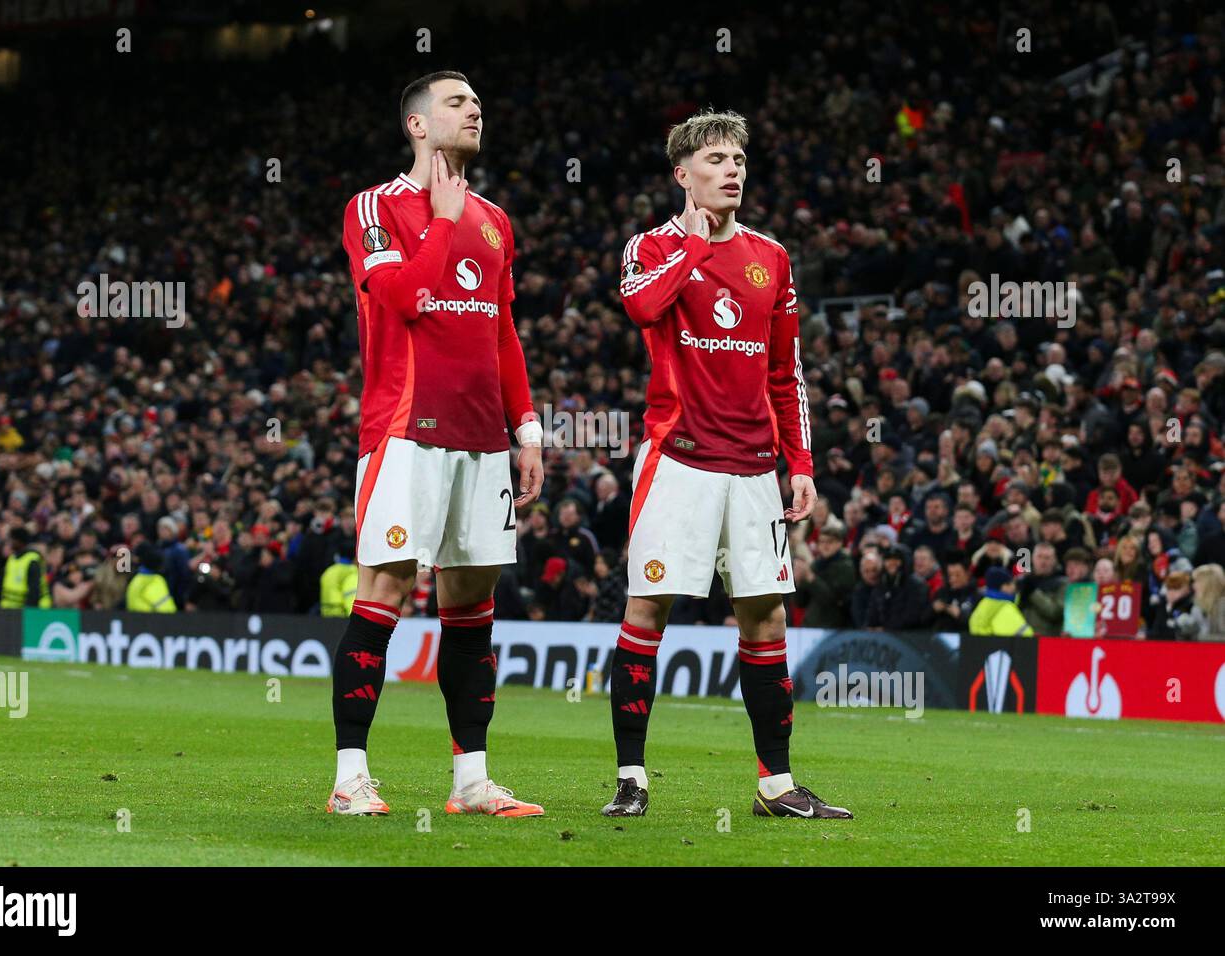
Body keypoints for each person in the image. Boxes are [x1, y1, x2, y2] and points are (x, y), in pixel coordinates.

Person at [601, 110, 850, 820]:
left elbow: (786, 372)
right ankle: (631, 778)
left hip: (751, 469)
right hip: (677, 460)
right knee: (648, 608)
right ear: (684, 175)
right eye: (715, 159)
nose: (732, 169)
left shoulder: (771, 257)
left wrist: (799, 462)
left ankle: (776, 785)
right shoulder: (649, 246)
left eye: (738, 158)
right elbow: (644, 307)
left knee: (766, 620)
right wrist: (694, 245)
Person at [332, 71, 544, 817]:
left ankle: (471, 781)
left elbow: (503, 331)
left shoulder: (495, 220)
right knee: (384, 592)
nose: (474, 109)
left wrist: (527, 428)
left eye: (478, 102)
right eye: (457, 102)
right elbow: (400, 298)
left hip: (482, 437)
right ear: (417, 125)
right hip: (404, 431)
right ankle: (350, 778)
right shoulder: (374, 206)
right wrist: (445, 223)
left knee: (472, 605)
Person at [790, 524, 855, 626]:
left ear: (839, 543)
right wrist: (798, 581)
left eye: (830, 542)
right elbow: (800, 602)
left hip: (834, 629)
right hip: (811, 626)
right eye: (822, 542)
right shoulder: (816, 565)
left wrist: (811, 578)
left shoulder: (846, 566)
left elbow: (832, 600)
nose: (825, 546)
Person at [968, 566, 1034, 636]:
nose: (1014, 587)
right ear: (1004, 587)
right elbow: (1026, 636)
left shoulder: (982, 605)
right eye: (1011, 583)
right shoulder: (1004, 607)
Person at [0, 526, 50, 609]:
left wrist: (27, 611)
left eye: (12, 539)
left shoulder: (32, 560)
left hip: (31, 610)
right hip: (11, 610)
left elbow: (34, 591)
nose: (10, 542)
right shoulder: (12, 559)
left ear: (20, 541)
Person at [125, 543, 177, 613]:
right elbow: (167, 610)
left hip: (134, 620)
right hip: (150, 622)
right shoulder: (155, 581)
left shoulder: (136, 579)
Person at [319, 550, 358, 618]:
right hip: (343, 620)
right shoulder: (352, 575)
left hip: (326, 618)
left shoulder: (328, 571)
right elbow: (351, 602)